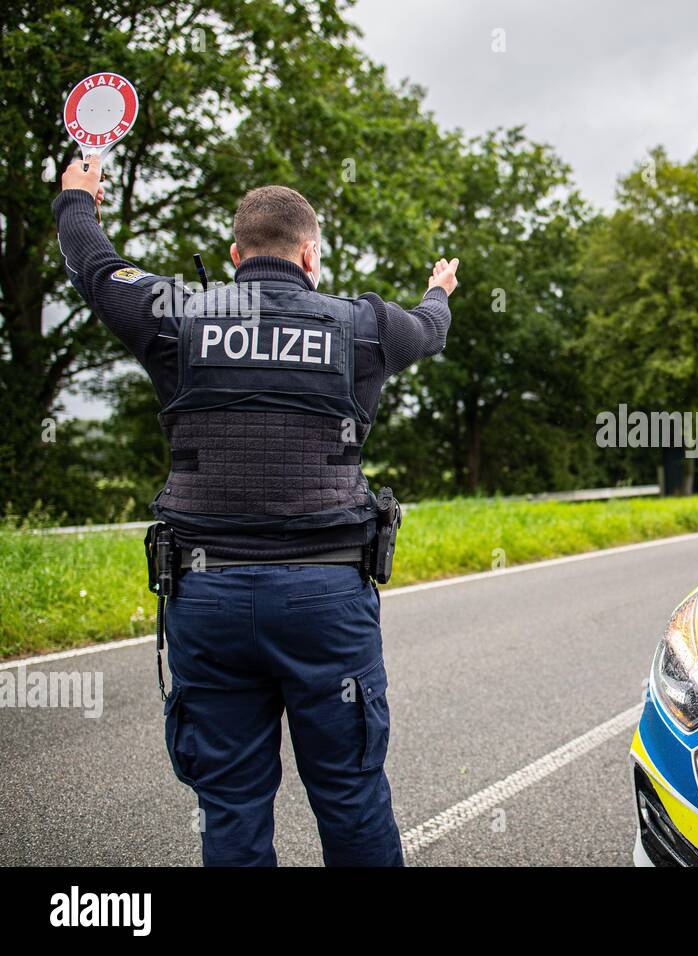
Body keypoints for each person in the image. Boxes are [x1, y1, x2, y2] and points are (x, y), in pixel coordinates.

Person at [54, 154, 458, 866]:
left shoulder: (174, 317)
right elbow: (429, 329)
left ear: (237, 255)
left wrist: (77, 199)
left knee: (230, 806)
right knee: (351, 793)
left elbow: (95, 268)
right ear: (311, 255)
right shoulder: (363, 327)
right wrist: (438, 289)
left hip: (205, 597)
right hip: (326, 601)